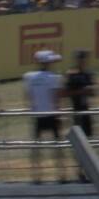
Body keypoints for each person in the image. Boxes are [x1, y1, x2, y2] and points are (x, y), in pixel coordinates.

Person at [22, 50, 66, 182]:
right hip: (52, 115)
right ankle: (61, 174)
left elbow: (28, 96)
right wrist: (60, 114)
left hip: (37, 115)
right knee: (58, 146)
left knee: (36, 147)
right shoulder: (54, 77)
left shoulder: (29, 77)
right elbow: (56, 99)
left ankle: (36, 176)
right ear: (47, 62)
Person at [65, 49, 98, 140]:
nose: (82, 61)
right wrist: (82, 91)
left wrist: (93, 89)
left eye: (83, 59)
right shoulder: (71, 74)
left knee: (89, 136)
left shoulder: (88, 73)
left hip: (87, 109)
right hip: (76, 109)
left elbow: (94, 91)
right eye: (80, 59)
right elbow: (66, 92)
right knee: (79, 137)